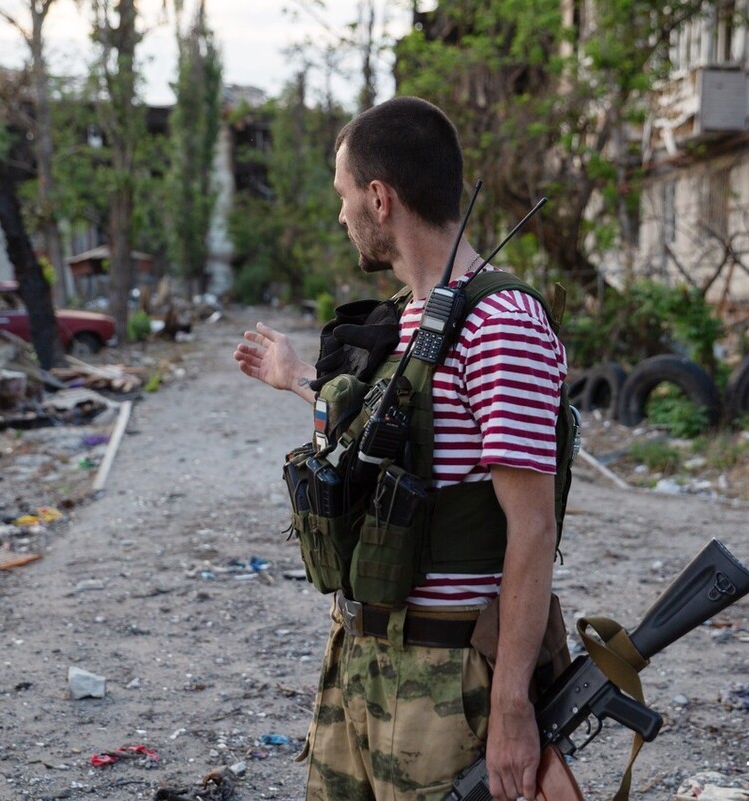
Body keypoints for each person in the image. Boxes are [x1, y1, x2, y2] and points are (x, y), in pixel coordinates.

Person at [234, 96, 568, 801]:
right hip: (359, 653)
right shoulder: (411, 316)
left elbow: (533, 528)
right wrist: (298, 379)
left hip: (442, 679)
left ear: (379, 197)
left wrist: (512, 706)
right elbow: (388, 435)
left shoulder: (501, 324)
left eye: (344, 194)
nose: (340, 214)